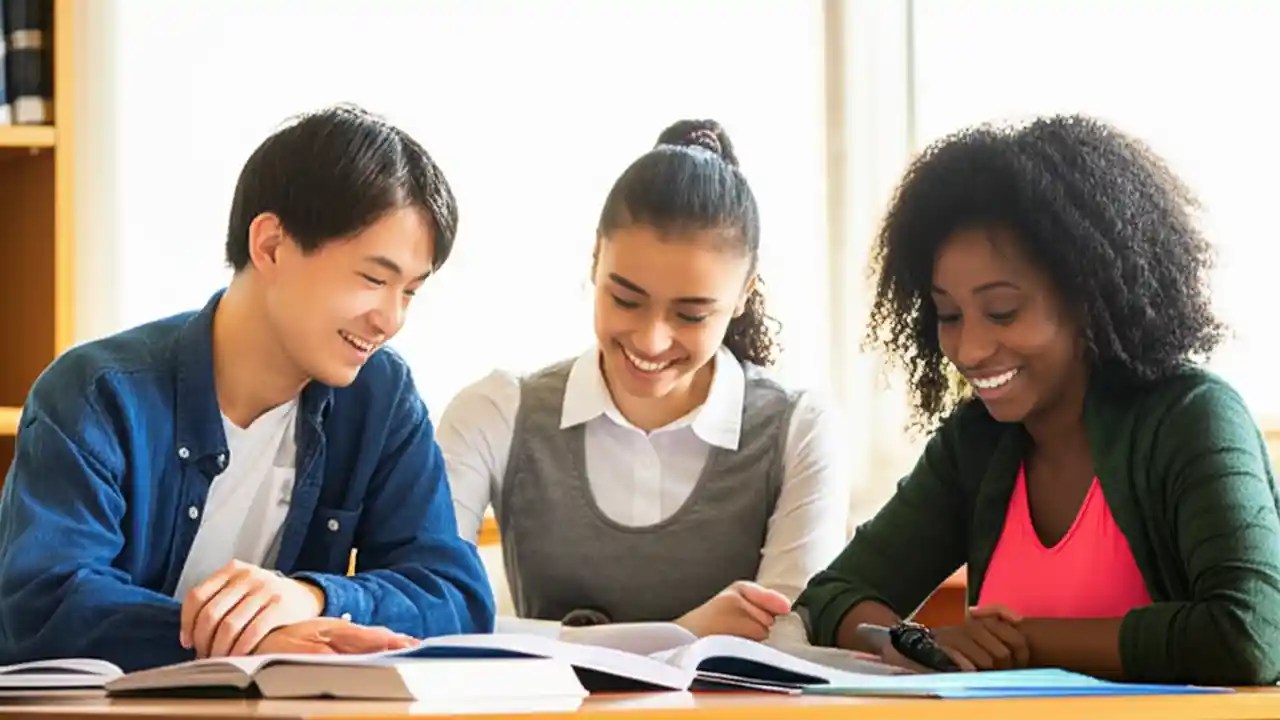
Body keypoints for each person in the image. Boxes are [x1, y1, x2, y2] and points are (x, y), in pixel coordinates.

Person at [0, 105, 495, 672]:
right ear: (271, 246)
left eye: (410, 292)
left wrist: (312, 597)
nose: (390, 319)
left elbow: (454, 594)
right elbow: (41, 604)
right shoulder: (97, 394)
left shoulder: (380, 398)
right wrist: (247, 639)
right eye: (374, 279)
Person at [796, 114, 1280, 685]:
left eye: (1002, 311)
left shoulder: (1191, 416)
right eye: (949, 315)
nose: (970, 348)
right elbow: (833, 596)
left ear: (1089, 297)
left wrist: (1023, 642)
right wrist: (911, 643)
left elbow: (1252, 636)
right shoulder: (976, 443)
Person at [437, 119, 851, 641]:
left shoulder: (801, 427)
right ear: (595, 258)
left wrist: (567, 642)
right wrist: (676, 634)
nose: (652, 341)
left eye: (691, 315)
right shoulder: (496, 412)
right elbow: (432, 614)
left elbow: (789, 643)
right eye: (625, 300)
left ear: (745, 292)